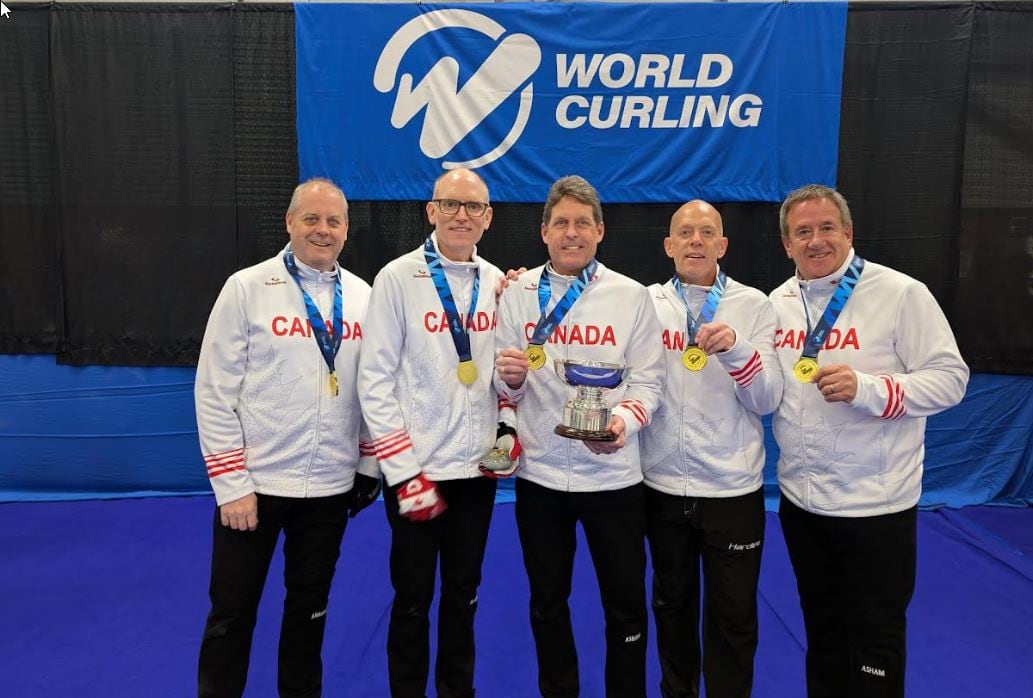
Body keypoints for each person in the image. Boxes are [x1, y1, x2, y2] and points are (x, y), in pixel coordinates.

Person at [770, 184, 969, 697]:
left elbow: (950, 379)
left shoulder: (901, 293)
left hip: (876, 507)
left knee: (875, 643)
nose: (816, 241)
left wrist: (869, 389)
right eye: (803, 232)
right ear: (787, 245)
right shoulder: (778, 303)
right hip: (803, 503)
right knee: (823, 633)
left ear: (849, 233)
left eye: (827, 228)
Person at [195, 178, 381, 697]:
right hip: (254, 489)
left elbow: (376, 389)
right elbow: (214, 390)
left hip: (328, 489)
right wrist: (231, 484)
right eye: (311, 219)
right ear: (290, 223)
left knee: (309, 613)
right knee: (231, 614)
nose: (323, 230)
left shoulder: (366, 298)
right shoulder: (246, 288)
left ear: (346, 230)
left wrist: (368, 466)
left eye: (333, 221)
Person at [494, 175, 665, 697]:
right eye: (562, 223)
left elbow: (649, 381)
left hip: (613, 478)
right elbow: (502, 382)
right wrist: (512, 378)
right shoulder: (517, 293)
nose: (572, 233)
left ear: (600, 231)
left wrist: (624, 423)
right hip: (542, 478)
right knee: (547, 601)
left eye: (582, 224)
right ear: (544, 231)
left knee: (626, 604)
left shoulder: (631, 296)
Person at [357, 169, 512, 698]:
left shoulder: (499, 284)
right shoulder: (396, 279)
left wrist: (506, 433)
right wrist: (403, 473)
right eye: (451, 205)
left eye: (473, 207)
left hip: (476, 472)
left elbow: (503, 374)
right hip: (416, 473)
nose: (461, 215)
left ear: (488, 218)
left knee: (464, 594)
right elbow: (373, 382)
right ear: (431, 211)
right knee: (412, 597)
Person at [640, 200, 783, 698]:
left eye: (706, 233)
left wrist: (738, 352)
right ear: (668, 245)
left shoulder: (755, 305)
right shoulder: (645, 302)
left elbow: (767, 399)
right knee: (671, 610)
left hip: (732, 491)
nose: (695, 241)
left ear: (723, 245)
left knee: (733, 618)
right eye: (685, 232)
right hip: (661, 487)